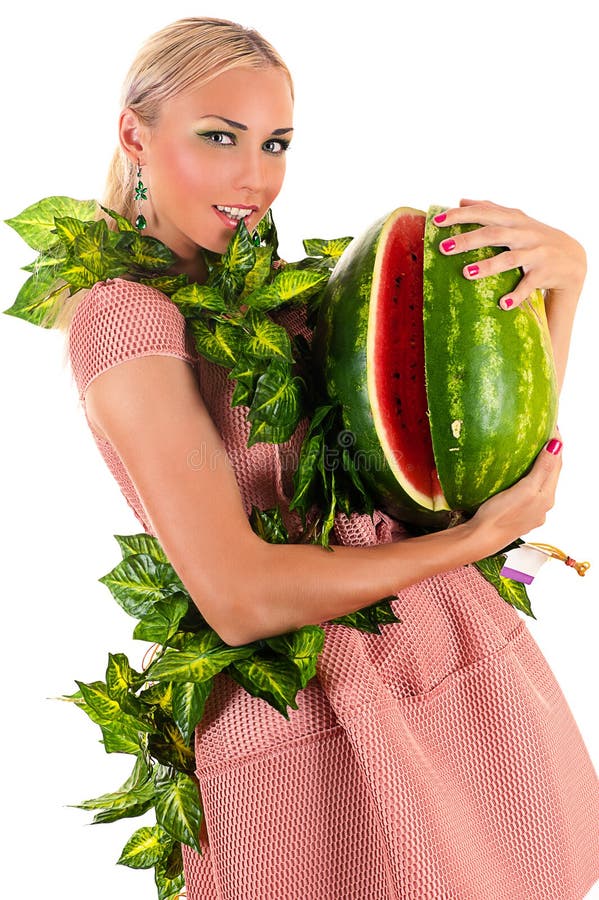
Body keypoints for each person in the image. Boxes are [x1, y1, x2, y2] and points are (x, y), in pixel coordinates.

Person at [63, 15, 598, 900]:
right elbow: (239, 599)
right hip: (316, 722)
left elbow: (465, 476)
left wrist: (564, 287)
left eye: (274, 144)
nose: (253, 177)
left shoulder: (289, 297)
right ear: (135, 134)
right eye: (218, 137)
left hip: (447, 665)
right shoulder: (124, 318)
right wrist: (478, 543)